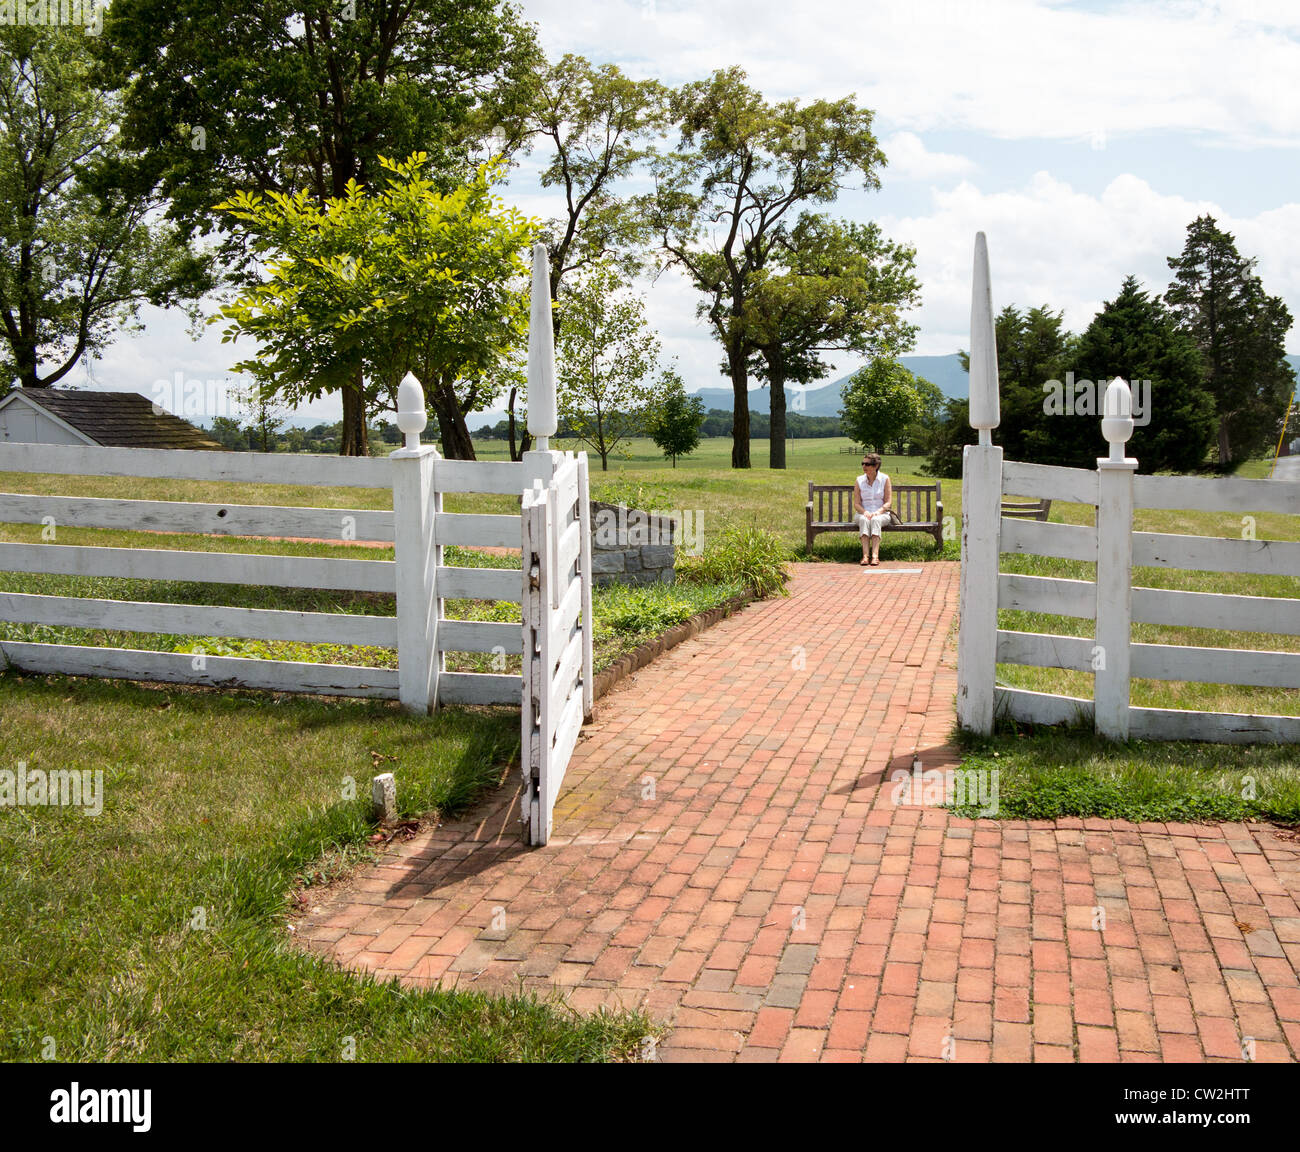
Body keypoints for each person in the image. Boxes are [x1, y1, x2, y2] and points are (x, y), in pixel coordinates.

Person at [853, 453, 892, 566]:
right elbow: (856, 503)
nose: (864, 466)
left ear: (875, 466)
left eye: (867, 464)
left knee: (875, 520)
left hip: (882, 513)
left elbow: (888, 502)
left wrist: (877, 512)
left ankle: (875, 556)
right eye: (863, 463)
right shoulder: (859, 480)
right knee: (864, 520)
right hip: (862, 513)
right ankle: (865, 556)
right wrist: (865, 512)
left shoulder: (885, 479)